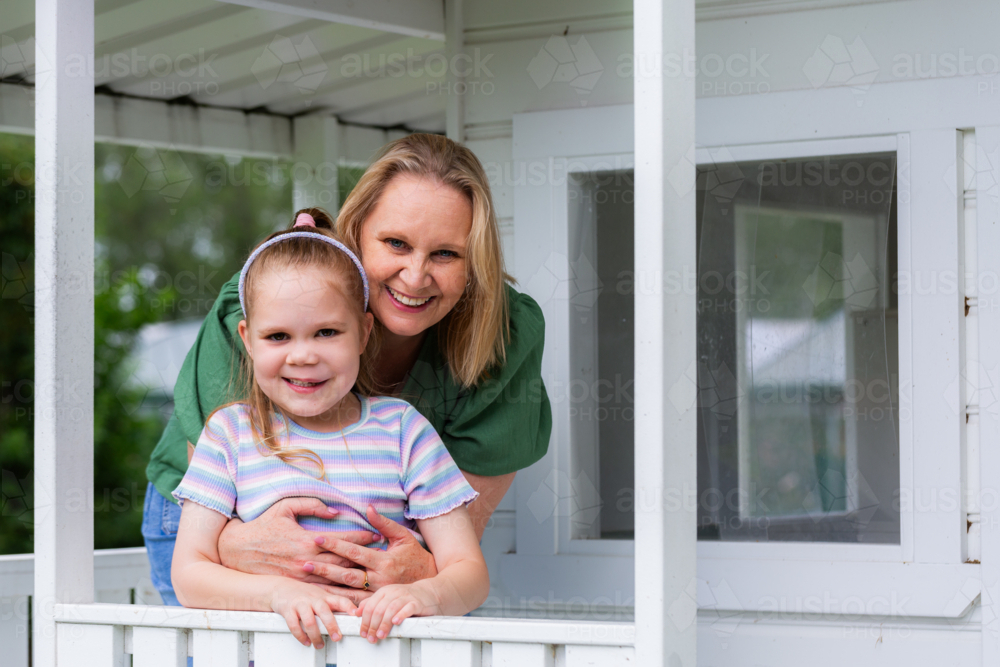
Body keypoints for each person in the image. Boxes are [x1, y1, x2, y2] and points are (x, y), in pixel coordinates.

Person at [143, 133, 552, 606]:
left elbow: (448, 558)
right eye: (396, 243)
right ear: (356, 231)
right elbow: (211, 538)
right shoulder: (272, 298)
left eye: (445, 253)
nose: (416, 276)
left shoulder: (502, 334)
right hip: (220, 530)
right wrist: (274, 571)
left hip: (377, 543)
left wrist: (423, 578)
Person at [171, 224, 489, 649]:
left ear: (364, 332)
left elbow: (470, 573)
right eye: (278, 336)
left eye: (327, 332)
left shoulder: (402, 431)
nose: (303, 355)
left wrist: (422, 593)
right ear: (248, 340)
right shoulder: (229, 435)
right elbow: (189, 575)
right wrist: (277, 593)